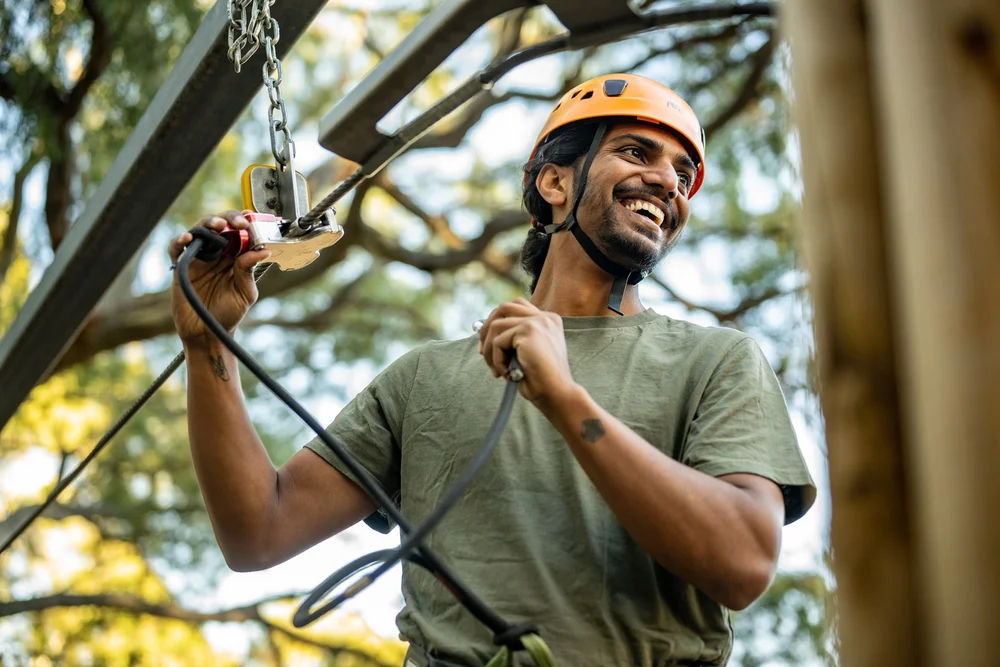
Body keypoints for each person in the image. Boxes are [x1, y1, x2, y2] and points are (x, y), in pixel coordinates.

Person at [168, 72, 815, 667]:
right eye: (638, 152)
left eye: (683, 172)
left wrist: (565, 399)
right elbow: (259, 529)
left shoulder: (716, 361)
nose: (669, 181)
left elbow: (744, 561)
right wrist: (209, 346)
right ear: (554, 181)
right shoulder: (426, 376)